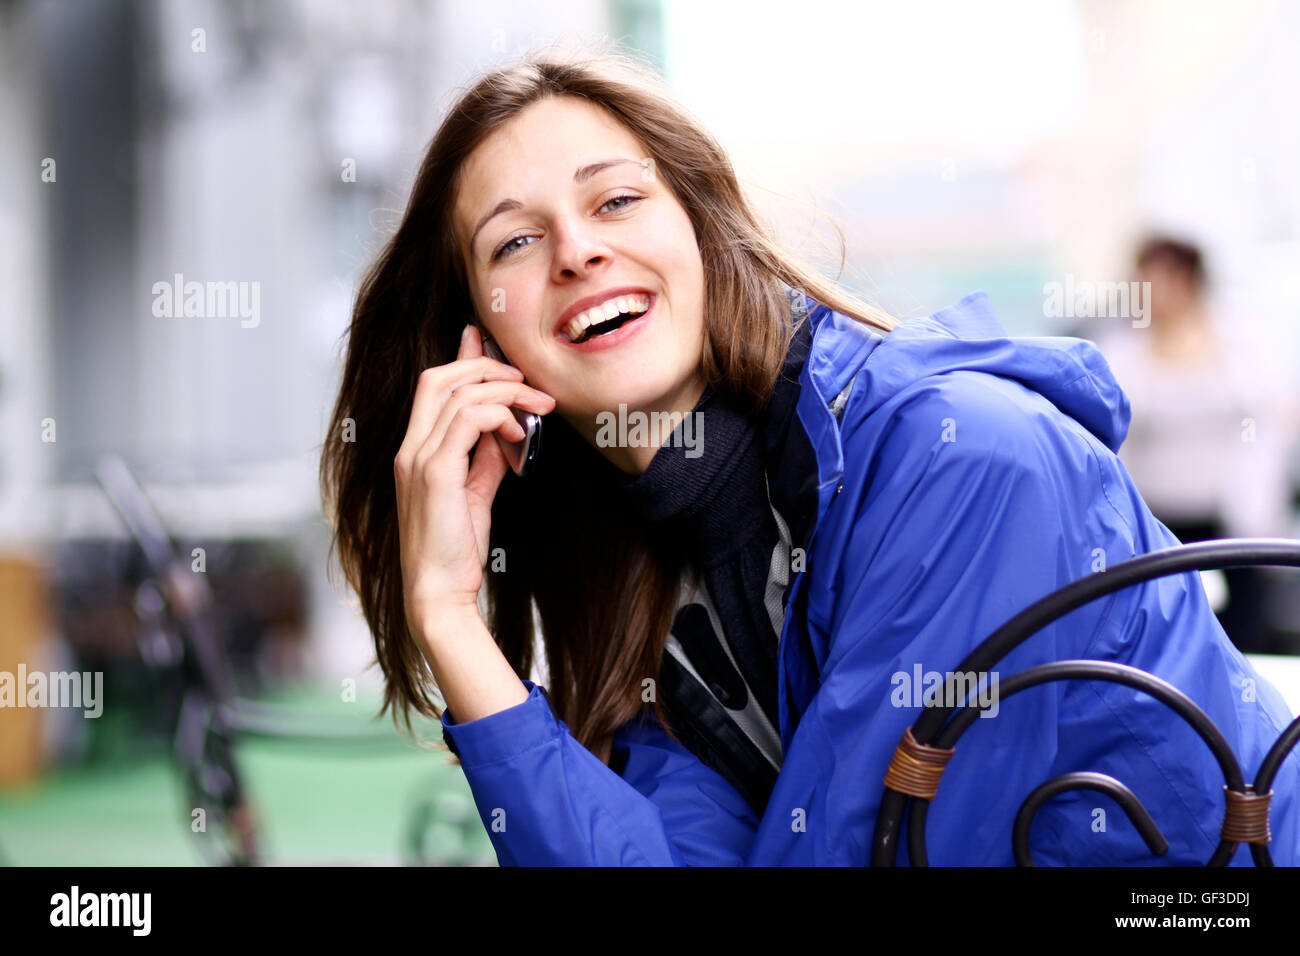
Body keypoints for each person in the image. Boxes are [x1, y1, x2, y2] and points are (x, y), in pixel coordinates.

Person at [318, 46, 1300, 865]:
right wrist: (448, 615)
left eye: (615, 200)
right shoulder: (660, 575)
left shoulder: (961, 461)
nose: (575, 250)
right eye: (514, 243)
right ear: (479, 350)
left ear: (701, 231)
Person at [1098, 237, 1296, 654]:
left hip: (1230, 524)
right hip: (1154, 524)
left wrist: (1262, 513)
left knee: (1239, 642)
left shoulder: (1241, 342)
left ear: (1189, 280)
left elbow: (1267, 428)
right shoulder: (1122, 349)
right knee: (1163, 645)